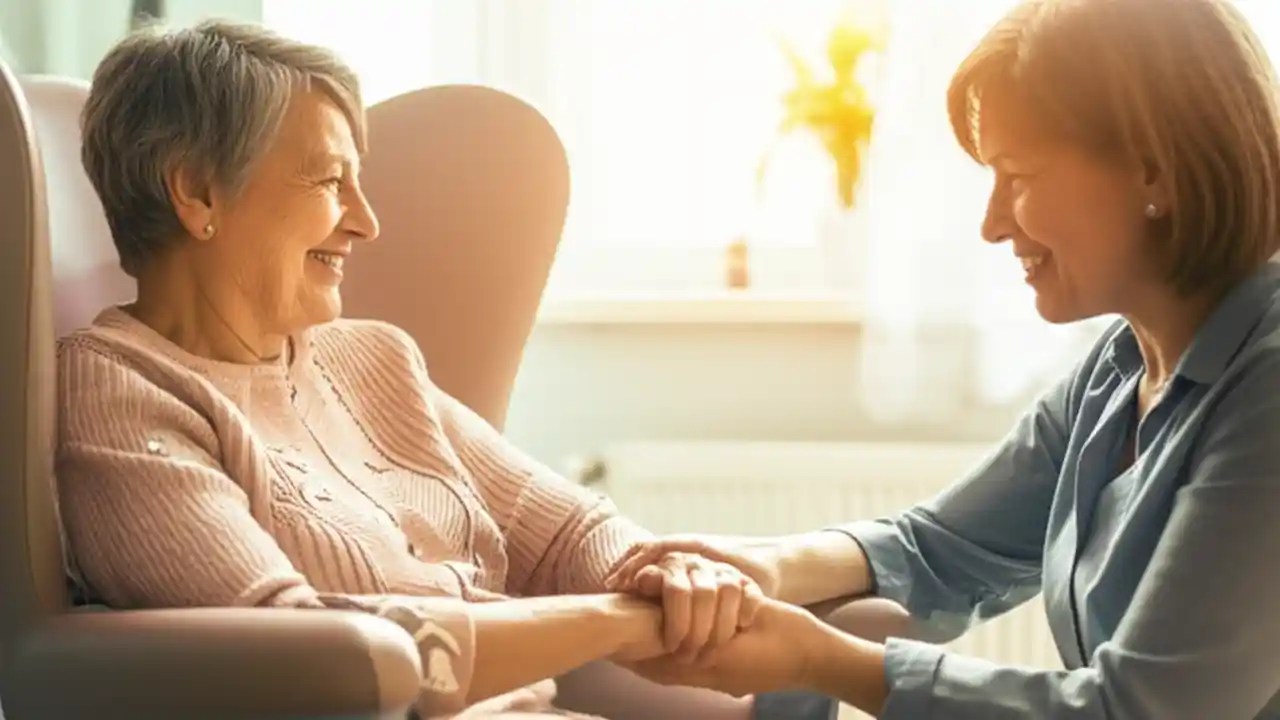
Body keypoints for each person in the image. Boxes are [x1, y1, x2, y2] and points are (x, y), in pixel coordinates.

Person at [57, 20, 776, 719]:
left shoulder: (374, 359)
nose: (366, 221)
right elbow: (312, 659)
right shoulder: (119, 395)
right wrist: (615, 623)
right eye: (330, 181)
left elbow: (572, 536)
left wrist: (668, 574)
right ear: (198, 193)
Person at [608, 0, 1280, 717]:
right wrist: (760, 565)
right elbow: (940, 546)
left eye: (1018, 175)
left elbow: (1140, 709)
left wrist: (814, 655)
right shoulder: (1118, 374)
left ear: (1156, 172)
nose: (992, 224)